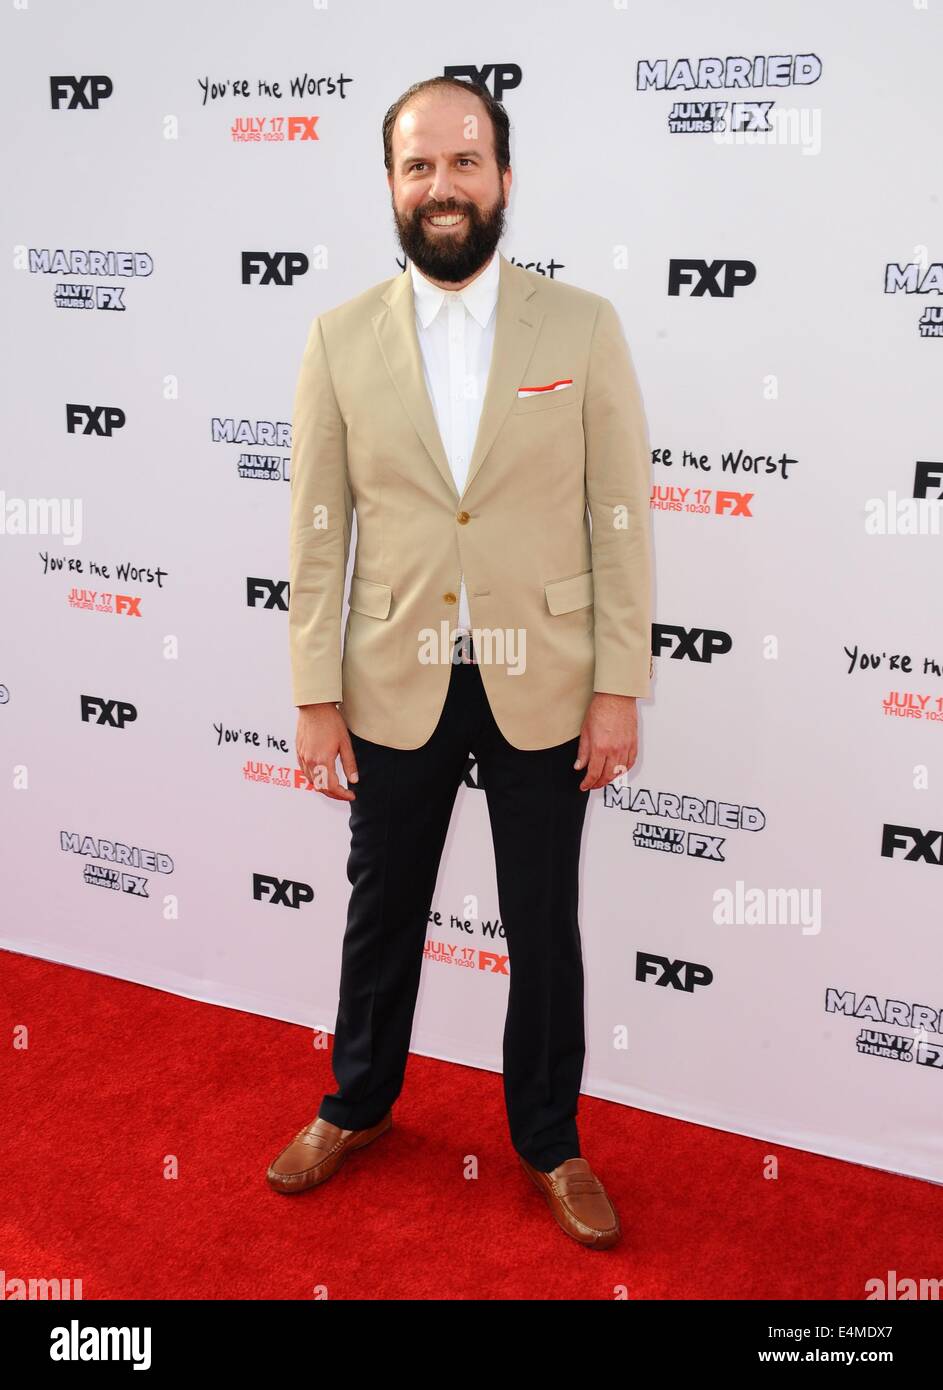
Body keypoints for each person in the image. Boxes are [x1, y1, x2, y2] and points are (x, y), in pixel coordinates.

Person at [266, 75, 654, 1250]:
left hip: (544, 668)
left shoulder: (580, 326)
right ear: (391, 185)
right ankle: (357, 1104)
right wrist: (315, 692)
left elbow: (620, 510)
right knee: (382, 909)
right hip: (394, 671)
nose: (443, 186)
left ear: (503, 179)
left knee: (542, 921)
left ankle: (548, 1138)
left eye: (464, 162)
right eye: (418, 166)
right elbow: (317, 525)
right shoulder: (337, 336)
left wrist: (618, 681)